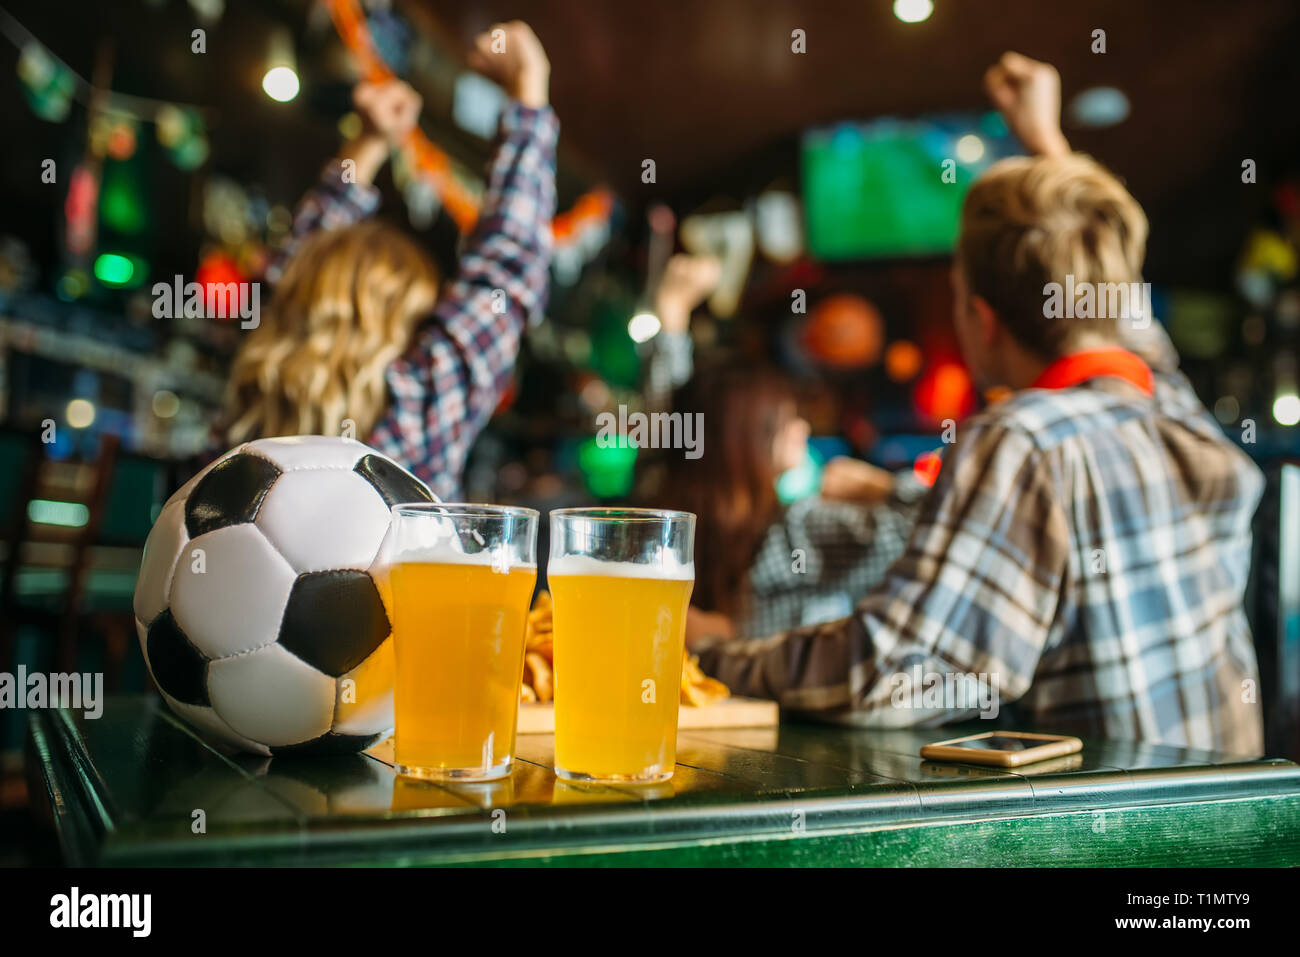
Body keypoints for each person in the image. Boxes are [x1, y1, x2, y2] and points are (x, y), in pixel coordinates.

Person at [687, 52, 1266, 754]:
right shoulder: (1174, 407)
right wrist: (1047, 147)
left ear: (981, 320)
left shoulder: (1024, 439)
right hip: (1235, 826)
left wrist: (701, 659)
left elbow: (888, 671)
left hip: (1112, 840)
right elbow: (1126, 316)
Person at [221, 21, 556, 500]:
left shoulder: (250, 397)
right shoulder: (418, 404)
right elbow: (507, 267)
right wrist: (529, 93)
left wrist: (369, 143)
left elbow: (297, 272)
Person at [640, 256, 925, 640]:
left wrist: (670, 313)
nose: (802, 428)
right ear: (753, 440)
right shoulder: (795, 530)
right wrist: (880, 487)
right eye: (788, 419)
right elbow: (944, 527)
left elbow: (675, 421)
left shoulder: (666, 506)